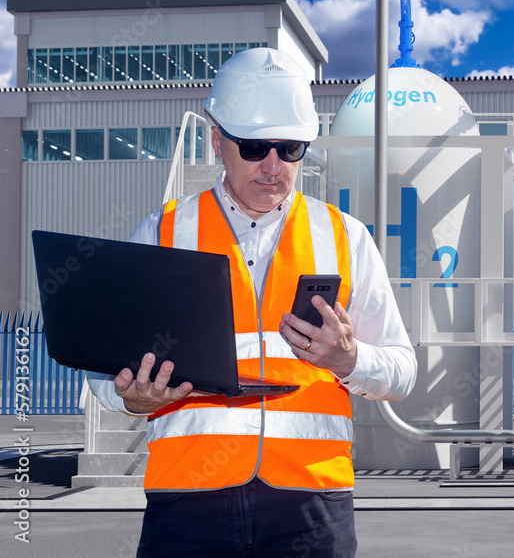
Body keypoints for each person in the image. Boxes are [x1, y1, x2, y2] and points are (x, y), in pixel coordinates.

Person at [86, 47, 417, 558]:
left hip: (311, 503)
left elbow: (402, 371)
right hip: (188, 500)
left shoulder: (345, 237)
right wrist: (132, 399)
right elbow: (102, 373)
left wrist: (349, 360)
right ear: (217, 140)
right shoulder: (162, 233)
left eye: (290, 148)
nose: (273, 166)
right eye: (255, 146)